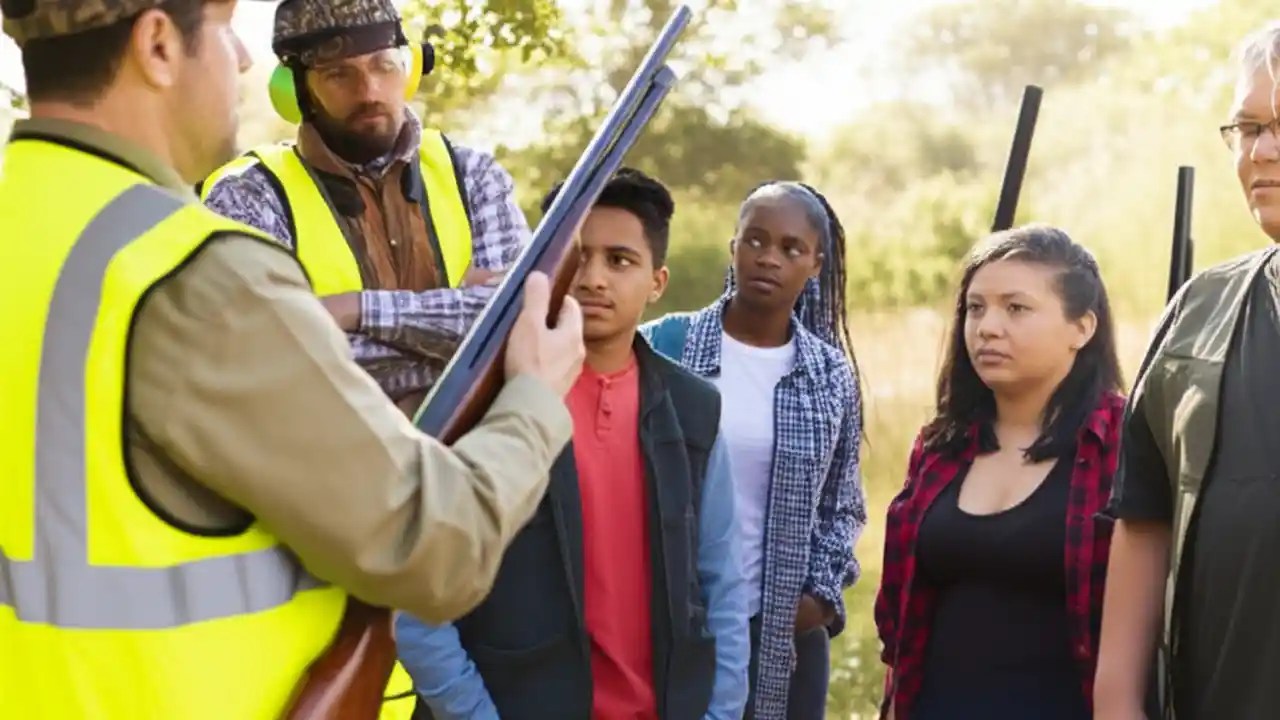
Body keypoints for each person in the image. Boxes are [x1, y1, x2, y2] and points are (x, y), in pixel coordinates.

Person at [0, 2, 584, 719]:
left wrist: (345, 310)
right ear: (157, 44)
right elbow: (439, 547)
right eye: (222, 34)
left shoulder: (25, 226)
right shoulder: (195, 273)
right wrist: (534, 391)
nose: (242, 63)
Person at [394, 168, 751, 720]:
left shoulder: (694, 411)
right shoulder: (485, 399)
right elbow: (418, 602)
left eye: (620, 260)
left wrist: (720, 714)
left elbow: (723, 588)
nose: (594, 278)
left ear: (657, 282)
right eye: (577, 256)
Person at [201, 0, 528, 415]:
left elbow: (513, 320)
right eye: (339, 74)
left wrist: (352, 310)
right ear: (298, 93)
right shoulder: (248, 196)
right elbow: (264, 352)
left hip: (482, 460)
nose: (369, 91)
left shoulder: (475, 177)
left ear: (408, 70)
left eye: (383, 65)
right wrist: (448, 330)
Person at [1094, 22, 1280, 720]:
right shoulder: (1198, 317)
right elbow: (1143, 519)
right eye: (1246, 126)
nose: (1260, 152)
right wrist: (1117, 703)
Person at [873, 225, 1126, 720]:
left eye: (1016, 308)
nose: (987, 327)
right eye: (975, 307)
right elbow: (900, 626)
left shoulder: (1125, 444)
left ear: (1082, 327)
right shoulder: (940, 446)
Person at [641, 180, 866, 720]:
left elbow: (843, 505)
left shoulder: (829, 375)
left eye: (791, 249)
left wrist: (812, 600)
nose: (770, 259)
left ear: (815, 264)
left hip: (783, 640)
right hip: (675, 624)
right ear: (733, 248)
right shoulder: (663, 349)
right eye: (756, 241)